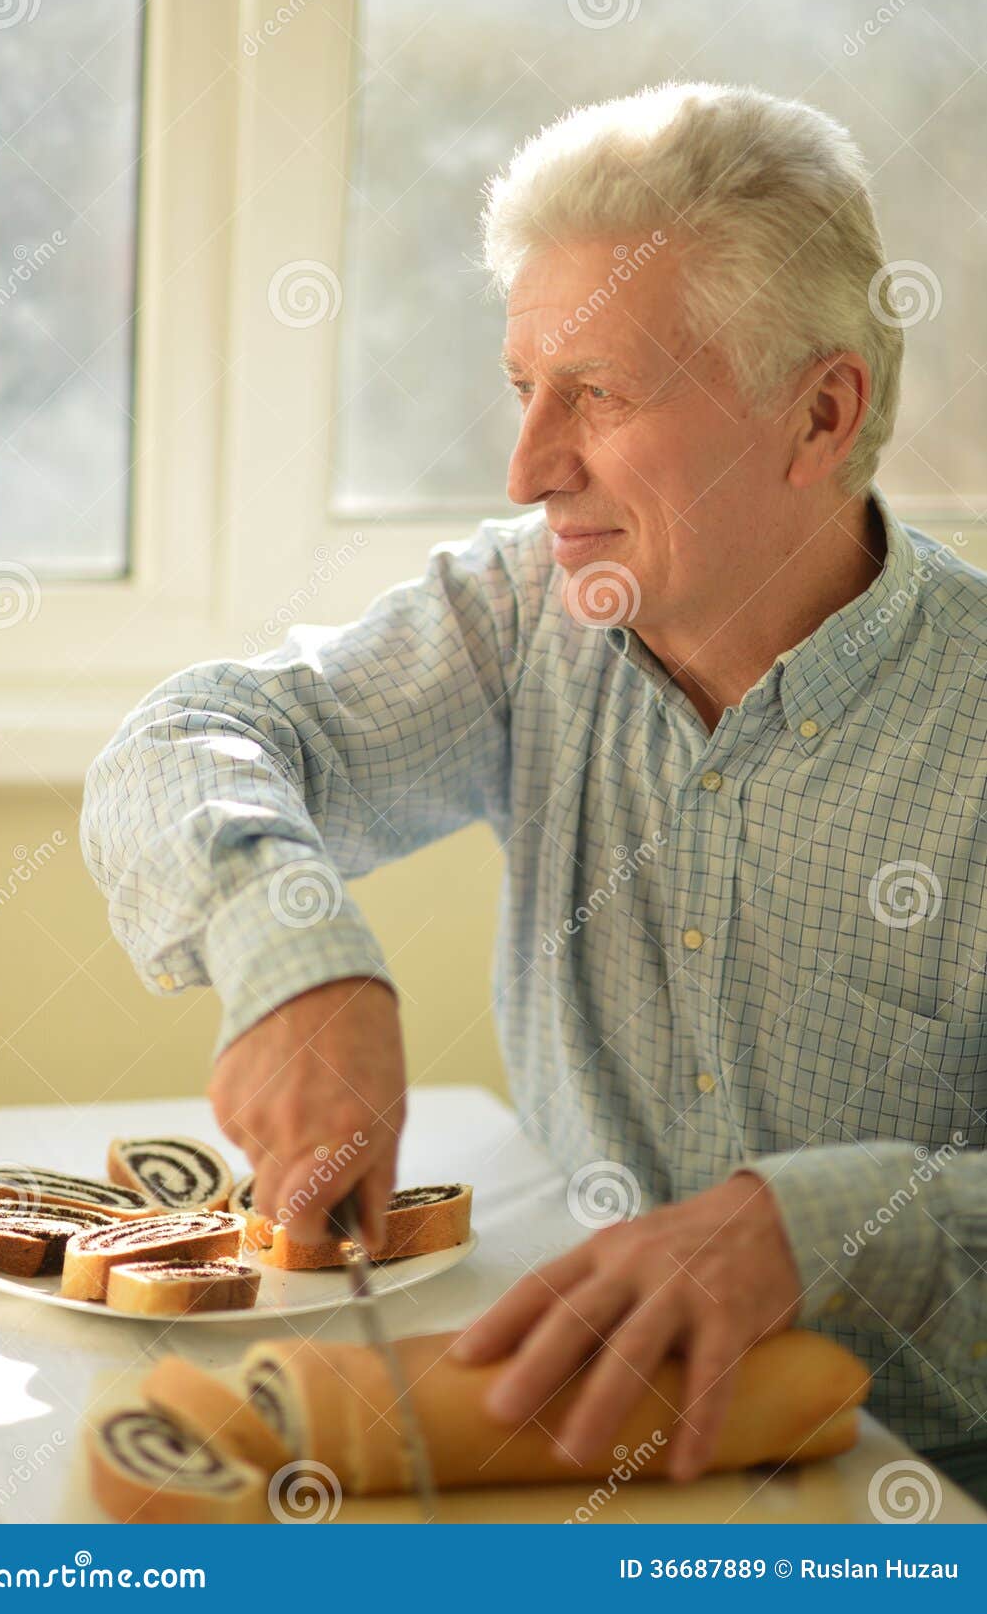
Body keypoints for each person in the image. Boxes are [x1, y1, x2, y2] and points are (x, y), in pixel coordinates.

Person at [82, 81, 986, 1498]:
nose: (526, 468)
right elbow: (187, 735)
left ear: (819, 414)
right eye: (524, 387)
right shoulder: (523, 616)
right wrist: (294, 957)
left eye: (600, 394)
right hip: (568, 1462)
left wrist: (818, 1227)